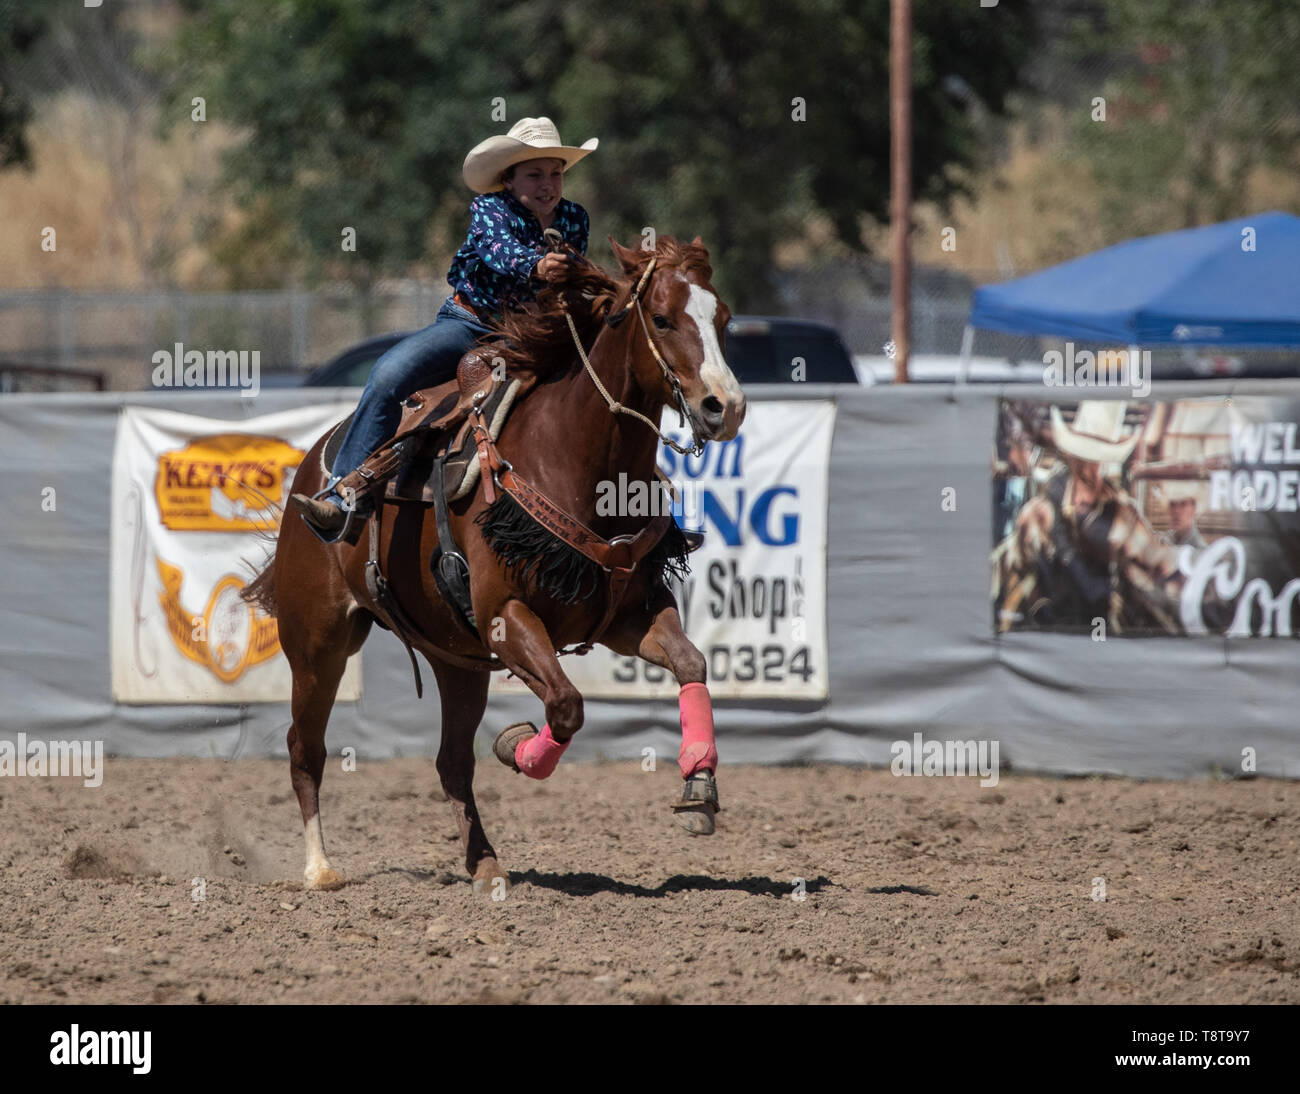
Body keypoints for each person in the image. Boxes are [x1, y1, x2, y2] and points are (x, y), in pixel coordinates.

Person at [290, 116, 598, 542]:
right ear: (507, 180)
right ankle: (344, 497)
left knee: (608, 387)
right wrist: (539, 265)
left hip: (536, 334)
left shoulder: (575, 219)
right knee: (389, 375)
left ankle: (641, 516)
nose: (548, 184)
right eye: (535, 175)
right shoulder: (489, 209)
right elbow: (500, 252)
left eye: (555, 174)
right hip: (469, 325)